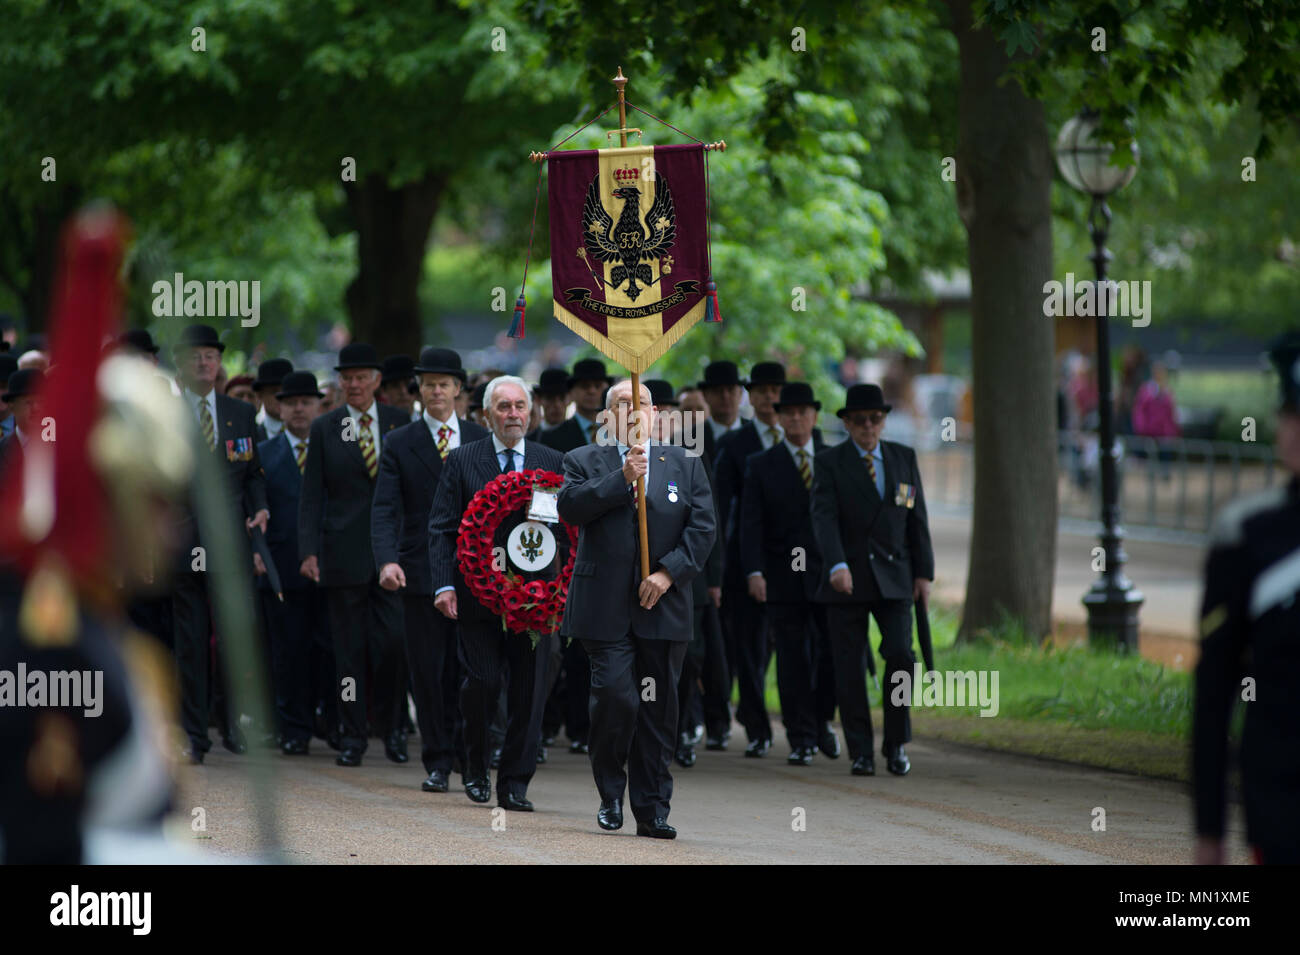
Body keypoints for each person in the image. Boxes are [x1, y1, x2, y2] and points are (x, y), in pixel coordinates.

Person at [557, 378, 716, 838]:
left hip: (661, 607)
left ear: (656, 412)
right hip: (604, 608)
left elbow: (702, 528)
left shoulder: (685, 463)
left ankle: (652, 809)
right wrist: (620, 477)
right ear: (607, 415)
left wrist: (668, 573)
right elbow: (570, 507)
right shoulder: (583, 460)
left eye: (640, 402)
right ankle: (610, 791)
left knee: (658, 708)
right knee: (616, 698)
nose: (632, 409)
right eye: (622, 402)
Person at [428, 376, 564, 811]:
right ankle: (474, 765)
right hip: (478, 596)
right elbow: (442, 527)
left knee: (529, 691)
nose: (513, 414)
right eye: (503, 407)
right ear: (486, 414)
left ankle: (515, 783)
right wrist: (444, 584)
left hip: (536, 601)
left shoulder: (551, 461)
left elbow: (566, 531)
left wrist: (562, 589)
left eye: (520, 406)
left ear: (531, 412)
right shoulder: (463, 460)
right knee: (483, 684)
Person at [1194, 333, 1300, 865]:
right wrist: (1209, 830)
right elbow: (1215, 691)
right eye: (1292, 414)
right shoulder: (1245, 536)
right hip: (1283, 806)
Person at [373, 347, 487, 793]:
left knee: (473, 671)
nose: (436, 391)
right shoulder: (401, 441)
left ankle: (471, 757)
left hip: (477, 575)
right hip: (420, 574)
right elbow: (384, 509)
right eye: (428, 384)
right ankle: (438, 760)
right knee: (427, 669)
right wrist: (386, 560)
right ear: (418, 390)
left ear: (459, 389)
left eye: (444, 384)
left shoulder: (481, 438)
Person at [811, 383, 934, 777]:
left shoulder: (903, 457)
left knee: (901, 655)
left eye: (875, 419)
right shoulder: (830, 462)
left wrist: (924, 573)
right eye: (860, 420)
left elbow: (917, 520)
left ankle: (896, 743)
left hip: (896, 576)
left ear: (884, 421)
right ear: (846, 423)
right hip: (848, 576)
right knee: (848, 668)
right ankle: (861, 751)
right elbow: (823, 519)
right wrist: (835, 565)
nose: (868, 426)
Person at [297, 342, 408, 767]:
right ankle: (353, 735)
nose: (355, 384)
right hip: (341, 555)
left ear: (377, 381)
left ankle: (394, 727)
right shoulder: (326, 427)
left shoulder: (400, 423)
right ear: (340, 382)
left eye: (362, 377)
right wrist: (308, 551)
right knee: (348, 653)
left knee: (395, 645)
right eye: (348, 378)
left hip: (392, 556)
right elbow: (311, 497)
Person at [169, 324, 268, 764]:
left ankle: (234, 726)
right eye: (194, 356)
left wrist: (260, 508)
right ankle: (194, 733)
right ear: (180, 365)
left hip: (232, 543)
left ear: (219, 364)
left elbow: (254, 475)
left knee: (233, 639)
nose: (203, 363)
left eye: (210, 356)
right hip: (184, 542)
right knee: (190, 642)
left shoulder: (239, 414)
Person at [740, 382, 838, 764]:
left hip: (830, 575)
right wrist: (754, 571)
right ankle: (801, 738)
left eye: (803, 412)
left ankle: (822, 720)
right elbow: (750, 524)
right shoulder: (761, 465)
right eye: (789, 413)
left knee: (832, 654)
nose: (796, 418)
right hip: (783, 576)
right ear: (778, 419)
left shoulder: (833, 458)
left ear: (815, 417)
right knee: (793, 656)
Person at [541, 357, 616, 755]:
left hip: (601, 550)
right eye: (584, 385)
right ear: (572, 392)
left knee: (590, 644)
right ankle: (548, 722)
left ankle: (583, 727)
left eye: (598, 384)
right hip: (559, 549)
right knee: (555, 641)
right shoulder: (554, 437)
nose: (591, 390)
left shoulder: (619, 436)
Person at [714, 361, 788, 757]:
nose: (769, 397)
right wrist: (723, 566)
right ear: (751, 396)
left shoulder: (802, 441)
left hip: (793, 565)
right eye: (760, 391)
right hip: (745, 562)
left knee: (788, 646)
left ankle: (801, 721)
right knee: (750, 647)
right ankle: (758, 725)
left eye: (775, 390)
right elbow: (723, 510)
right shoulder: (734, 445)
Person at [257, 372, 331, 755]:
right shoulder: (263, 452)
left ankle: (331, 720)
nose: (299, 408)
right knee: (288, 651)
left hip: (330, 566)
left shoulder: (333, 446)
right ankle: (294, 727)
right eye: (291, 402)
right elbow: (251, 507)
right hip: (281, 566)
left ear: (320, 405)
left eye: (307, 401)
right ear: (279, 406)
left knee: (331, 648)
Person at [253, 357, 294, 441]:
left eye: (285, 391)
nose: (281, 397)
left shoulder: (311, 435)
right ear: (259, 395)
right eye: (274, 392)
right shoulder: (250, 437)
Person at [379, 354, 419, 421]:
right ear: (384, 391)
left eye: (408, 384)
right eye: (395, 386)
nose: (403, 391)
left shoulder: (429, 422)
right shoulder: (377, 425)